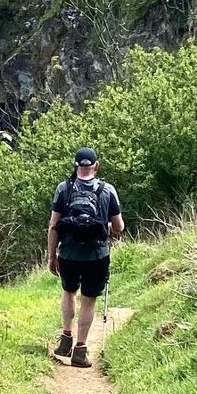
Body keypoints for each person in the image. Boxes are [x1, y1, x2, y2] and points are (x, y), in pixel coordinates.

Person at [47, 147, 124, 368]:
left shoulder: (64, 189)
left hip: (69, 253)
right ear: (96, 165)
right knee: (88, 300)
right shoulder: (107, 190)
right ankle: (80, 351)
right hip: (97, 255)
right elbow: (119, 227)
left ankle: (65, 340)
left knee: (68, 292)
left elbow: (53, 226)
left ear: (76, 166)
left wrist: (52, 257)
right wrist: (107, 226)